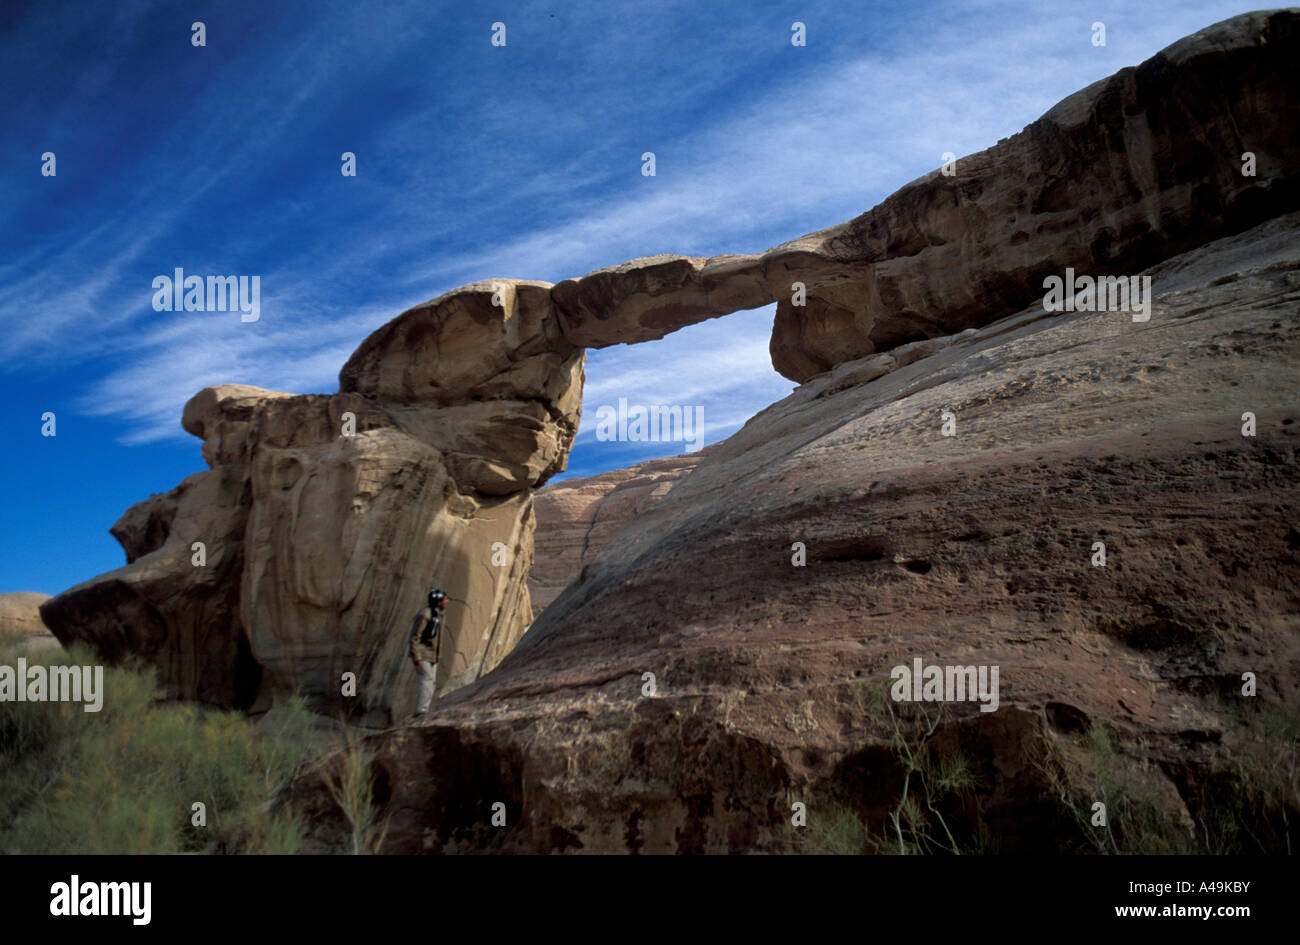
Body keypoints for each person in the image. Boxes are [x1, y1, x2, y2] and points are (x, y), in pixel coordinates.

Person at [408, 588, 447, 716]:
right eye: (444, 599)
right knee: (426, 679)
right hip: (423, 654)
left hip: (433, 656)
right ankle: (421, 710)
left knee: (432, 681)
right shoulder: (425, 615)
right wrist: (416, 656)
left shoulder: (439, 615)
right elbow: (415, 636)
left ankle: (425, 708)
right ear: (438, 602)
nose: (447, 601)